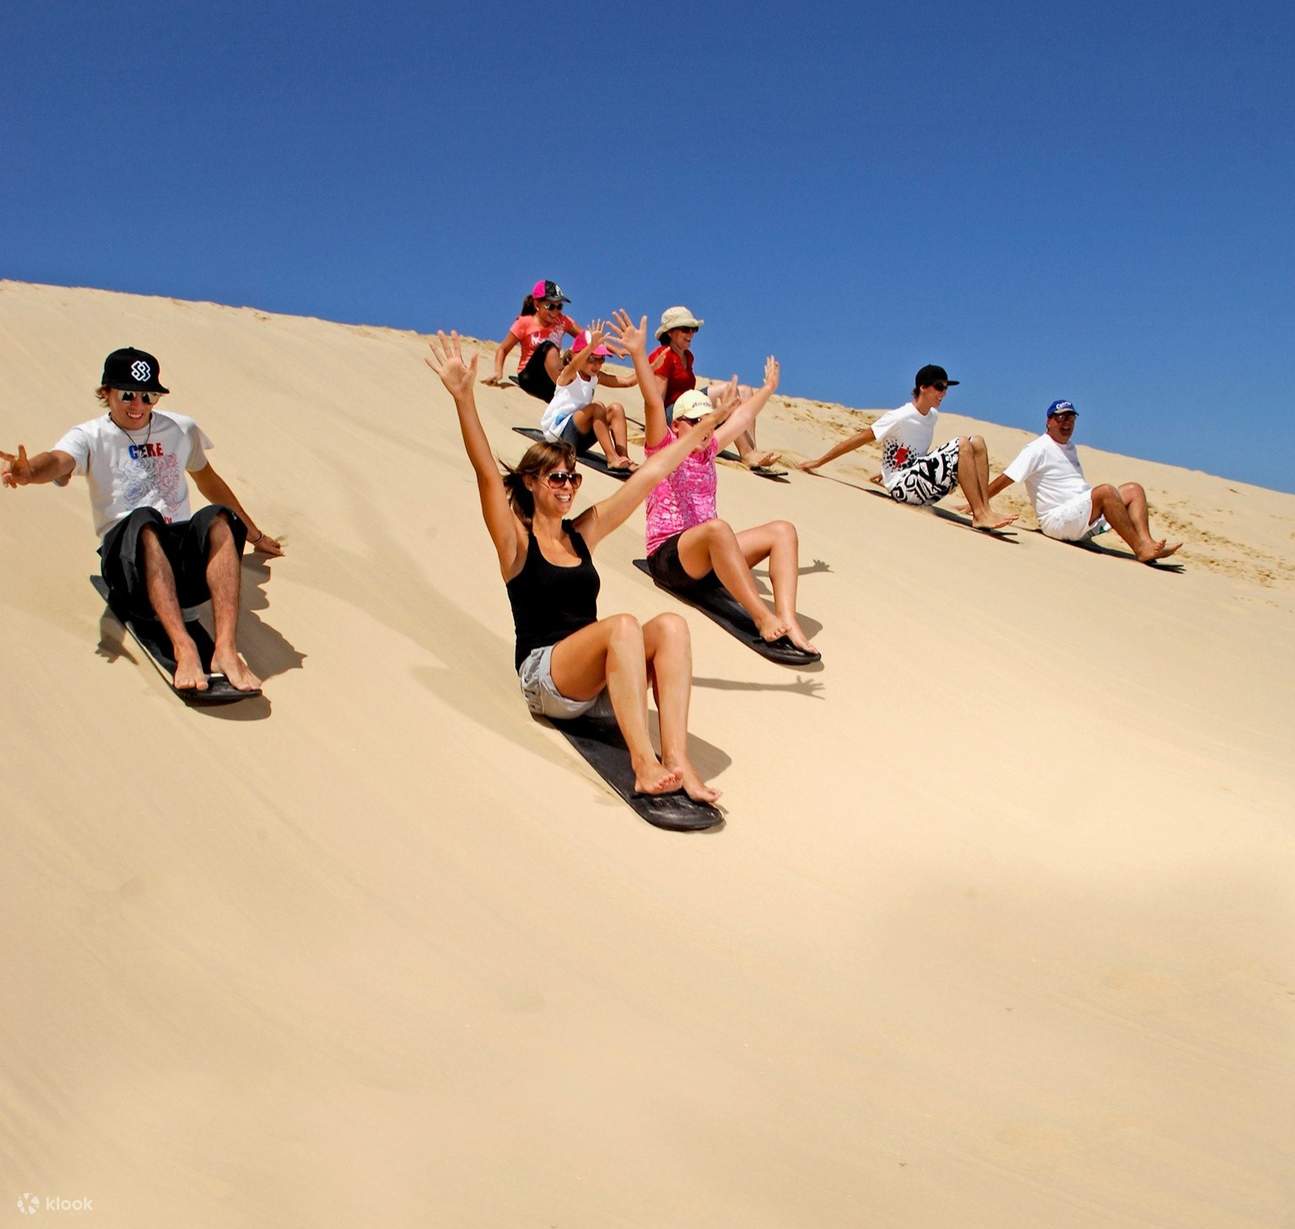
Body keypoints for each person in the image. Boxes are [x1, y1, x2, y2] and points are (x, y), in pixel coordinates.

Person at [426, 329, 729, 804]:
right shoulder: (515, 541)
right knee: (623, 626)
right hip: (544, 675)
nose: (568, 486)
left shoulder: (581, 532)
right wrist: (464, 397)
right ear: (531, 482)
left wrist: (702, 432)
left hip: (594, 676)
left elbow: (649, 475)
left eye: (574, 476)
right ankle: (643, 764)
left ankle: (676, 758)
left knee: (671, 626)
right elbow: (487, 471)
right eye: (557, 478)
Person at [0, 346, 282, 692]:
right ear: (106, 394)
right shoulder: (89, 436)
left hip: (180, 566)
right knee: (145, 522)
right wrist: (30, 472)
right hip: (127, 565)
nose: (138, 406)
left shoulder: (180, 429)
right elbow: (58, 461)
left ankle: (224, 648)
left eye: (148, 397)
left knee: (218, 518)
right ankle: (184, 646)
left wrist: (254, 535)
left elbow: (209, 481)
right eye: (128, 395)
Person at [611, 309, 819, 658]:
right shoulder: (661, 447)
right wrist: (636, 353)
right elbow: (651, 400)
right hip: (669, 559)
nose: (703, 428)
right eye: (695, 421)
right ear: (677, 425)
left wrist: (767, 389)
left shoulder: (707, 450)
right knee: (717, 529)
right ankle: (762, 617)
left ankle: (787, 618)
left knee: (783, 530)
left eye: (705, 420)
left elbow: (743, 417)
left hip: (707, 556)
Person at [797, 364, 1016, 531]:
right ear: (923, 387)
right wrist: (819, 462)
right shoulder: (900, 416)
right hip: (902, 489)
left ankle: (985, 509)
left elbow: (910, 455)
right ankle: (979, 515)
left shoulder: (932, 416)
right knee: (962, 444)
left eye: (946, 388)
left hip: (918, 484)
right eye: (939, 387)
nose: (943, 393)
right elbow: (860, 438)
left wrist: (885, 470)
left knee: (977, 441)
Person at [982, 400, 1182, 562]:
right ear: (1049, 421)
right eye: (1061, 418)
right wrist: (980, 503)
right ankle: (1140, 549)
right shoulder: (1038, 448)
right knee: (1105, 491)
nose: (1066, 423)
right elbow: (1008, 477)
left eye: (1071, 418)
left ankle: (1147, 544)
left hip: (1079, 516)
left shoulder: (1069, 447)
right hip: (1057, 520)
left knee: (1134, 490)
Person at [649, 305, 778, 468]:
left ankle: (753, 449)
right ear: (669, 332)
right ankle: (747, 454)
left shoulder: (687, 356)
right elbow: (656, 401)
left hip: (690, 406)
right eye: (685, 329)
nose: (690, 334)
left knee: (745, 391)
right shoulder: (663, 355)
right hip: (672, 415)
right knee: (727, 391)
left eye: (693, 329)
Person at [539, 321, 638, 471]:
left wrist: (645, 361)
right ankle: (611, 459)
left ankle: (624, 458)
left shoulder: (594, 377)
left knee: (616, 409)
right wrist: (590, 346)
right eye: (592, 358)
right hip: (558, 435)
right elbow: (574, 366)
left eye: (601, 359)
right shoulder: (569, 375)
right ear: (574, 355)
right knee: (597, 407)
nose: (597, 364)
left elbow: (628, 382)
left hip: (579, 438)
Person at [482, 279, 582, 402]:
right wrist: (498, 372)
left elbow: (588, 339)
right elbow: (503, 348)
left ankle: (568, 395)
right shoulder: (524, 323)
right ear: (537, 304)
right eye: (550, 306)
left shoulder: (563, 321)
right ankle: (565, 390)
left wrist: (609, 347)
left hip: (549, 380)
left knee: (576, 354)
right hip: (530, 377)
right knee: (548, 347)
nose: (555, 311)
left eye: (559, 306)